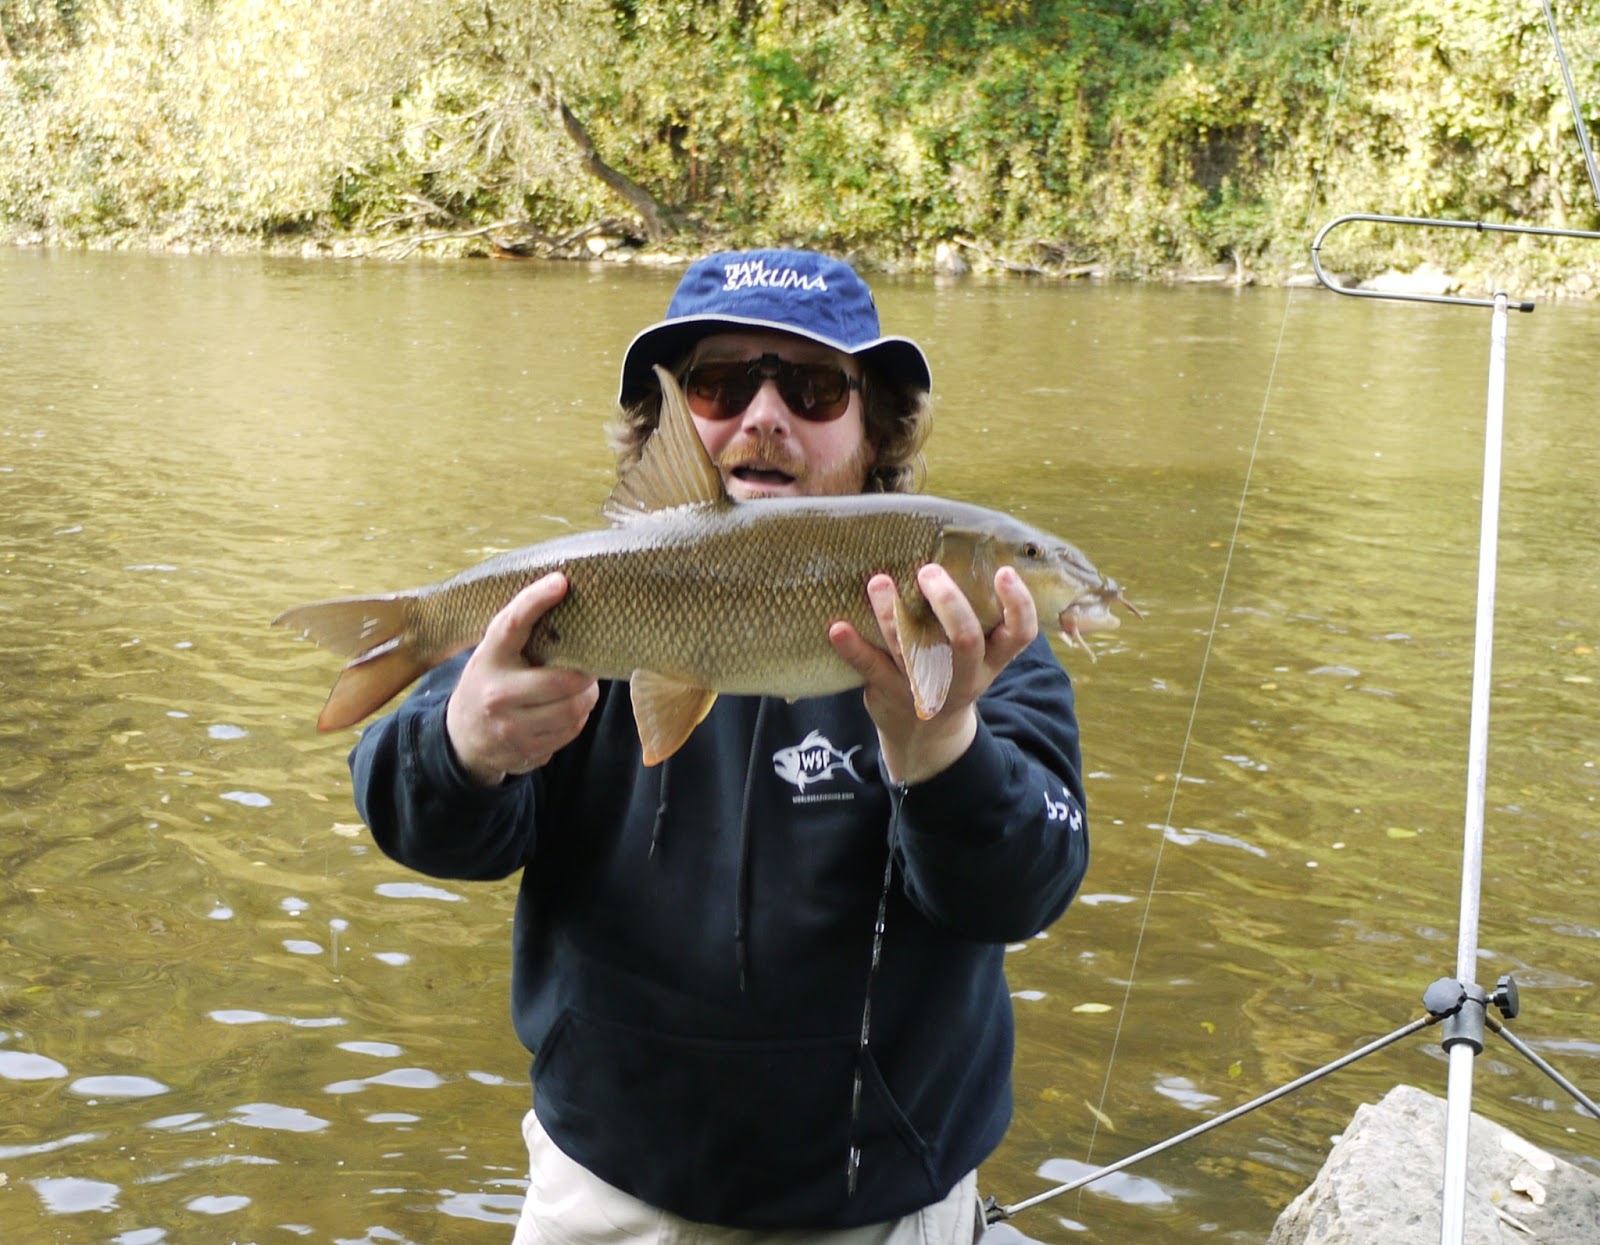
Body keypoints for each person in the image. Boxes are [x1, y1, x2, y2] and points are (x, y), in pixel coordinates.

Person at [350, 248, 1089, 1244]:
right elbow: (424, 827)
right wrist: (463, 745)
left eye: (816, 388)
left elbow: (1023, 890)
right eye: (719, 385)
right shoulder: (577, 604)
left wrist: (941, 749)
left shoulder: (979, 647)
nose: (763, 417)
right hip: (608, 1193)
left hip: (882, 1207)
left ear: (876, 434)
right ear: (668, 425)